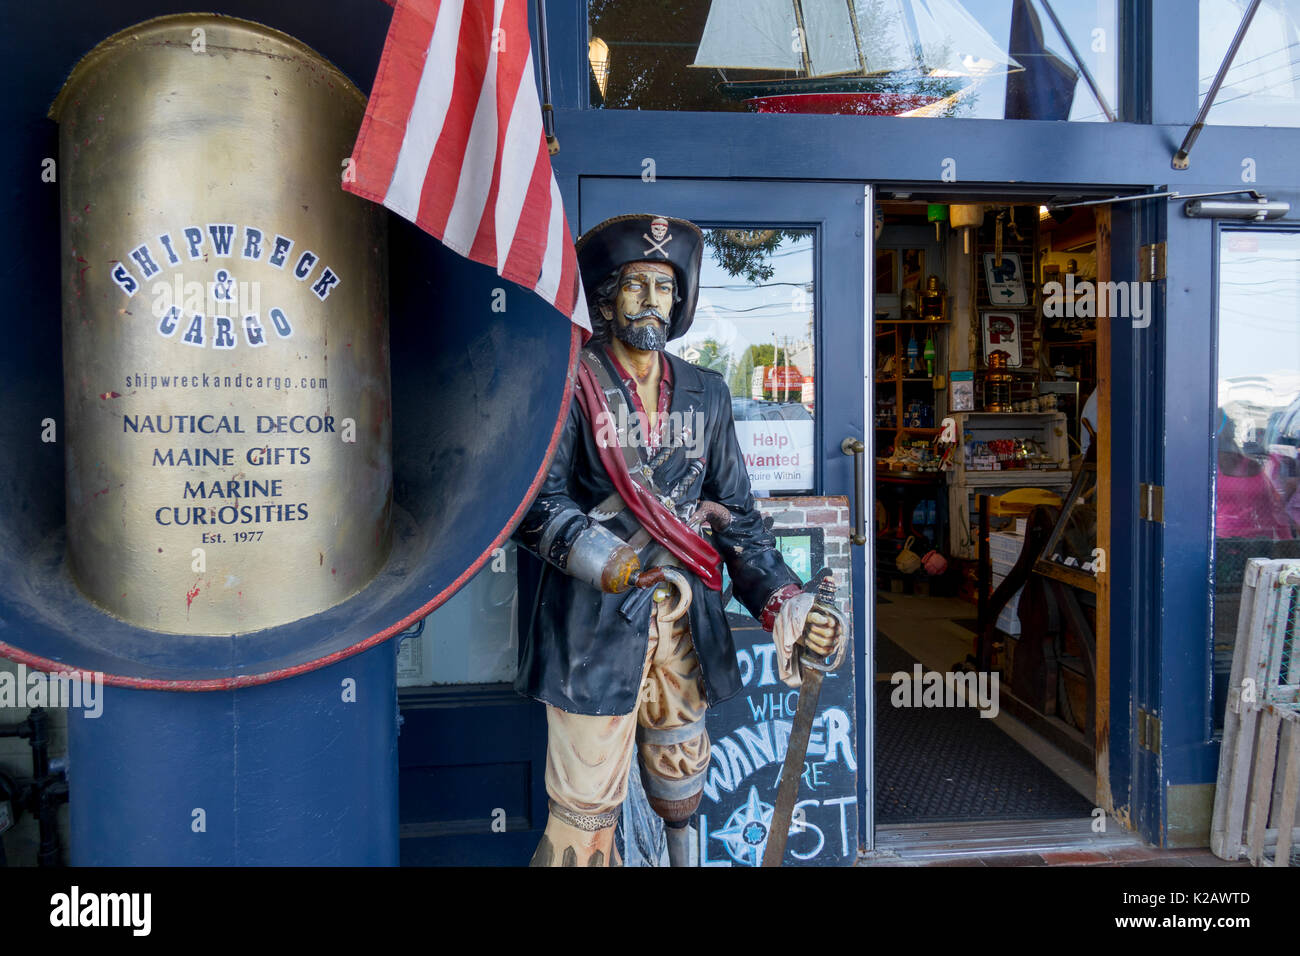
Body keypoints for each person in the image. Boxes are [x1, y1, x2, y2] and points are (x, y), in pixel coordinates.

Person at [513, 214, 845, 867]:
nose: (650, 302)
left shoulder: (709, 392)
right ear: (607, 297)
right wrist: (608, 561)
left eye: (664, 288)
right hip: (593, 631)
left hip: (685, 624)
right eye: (635, 285)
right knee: (582, 814)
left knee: (681, 793)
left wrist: (788, 603)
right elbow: (535, 506)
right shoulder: (571, 382)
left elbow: (740, 519)